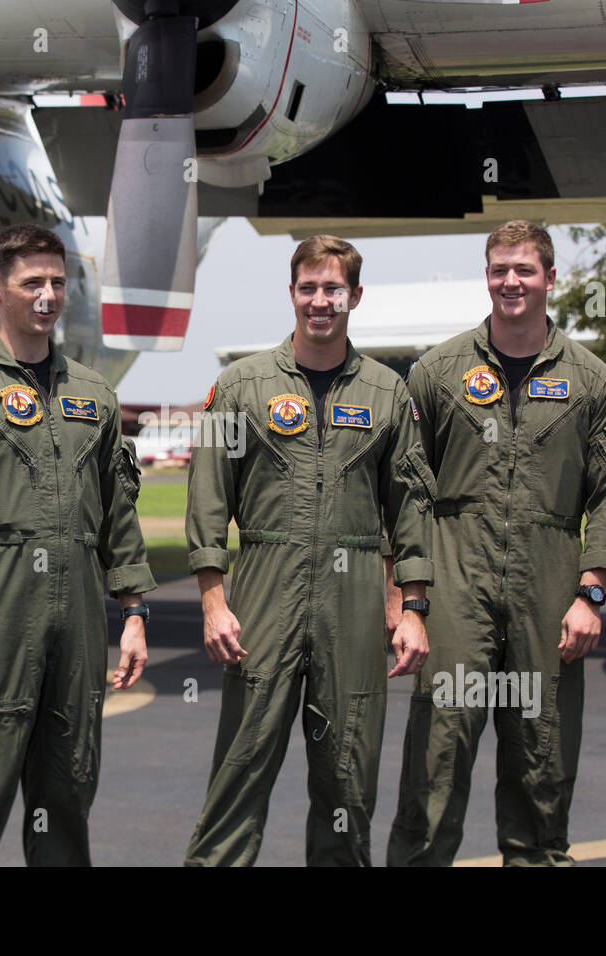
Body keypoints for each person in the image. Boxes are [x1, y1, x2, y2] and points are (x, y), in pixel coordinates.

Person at [0, 222, 155, 867]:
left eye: (57, 283)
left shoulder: (93, 395)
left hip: (79, 625)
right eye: (31, 282)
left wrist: (133, 615)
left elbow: (118, 516)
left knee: (67, 796)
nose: (47, 295)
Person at [386, 219, 606, 866]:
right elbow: (407, 485)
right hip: (454, 581)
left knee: (542, 758)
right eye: (499, 269)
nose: (511, 281)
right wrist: (406, 598)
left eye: (524, 269)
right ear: (487, 275)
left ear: (550, 278)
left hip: (550, 584)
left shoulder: (589, 381)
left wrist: (593, 590)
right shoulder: (440, 373)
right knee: (436, 756)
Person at [183, 234, 434, 866]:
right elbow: (209, 498)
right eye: (308, 288)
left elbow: (408, 505)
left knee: (348, 774)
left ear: (354, 296)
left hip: (352, 599)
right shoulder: (240, 385)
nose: (320, 301)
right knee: (241, 767)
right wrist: (215, 602)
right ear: (291, 293)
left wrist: (410, 607)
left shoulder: (387, 392)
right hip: (265, 581)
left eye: (333, 289)